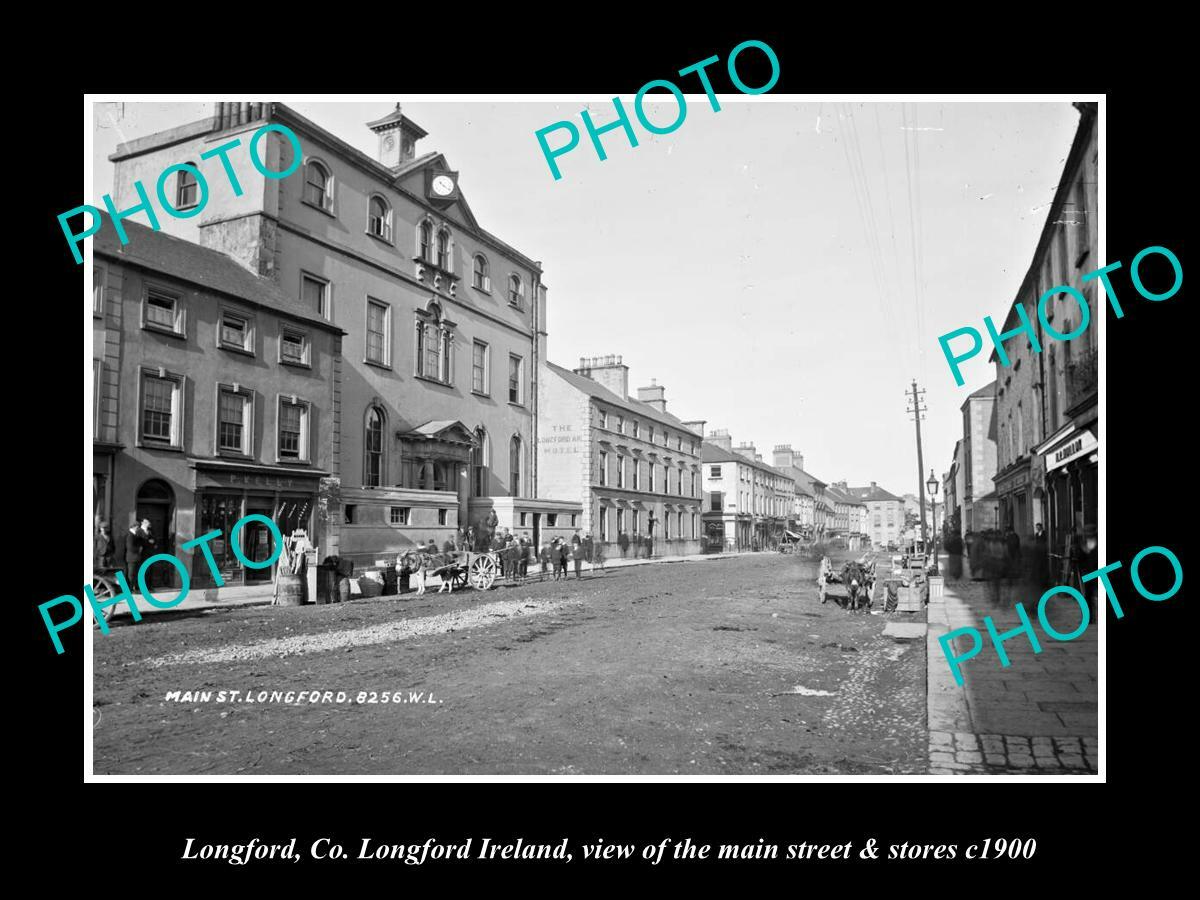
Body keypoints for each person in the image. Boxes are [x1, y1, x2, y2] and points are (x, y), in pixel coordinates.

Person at [123, 518, 156, 590]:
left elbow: (150, 540)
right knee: (132, 574)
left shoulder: (147, 532)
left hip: (141, 556)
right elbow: (131, 546)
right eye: (137, 527)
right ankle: (131, 588)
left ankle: (140, 587)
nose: (138, 528)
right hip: (135, 556)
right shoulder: (134, 534)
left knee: (139, 572)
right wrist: (140, 548)